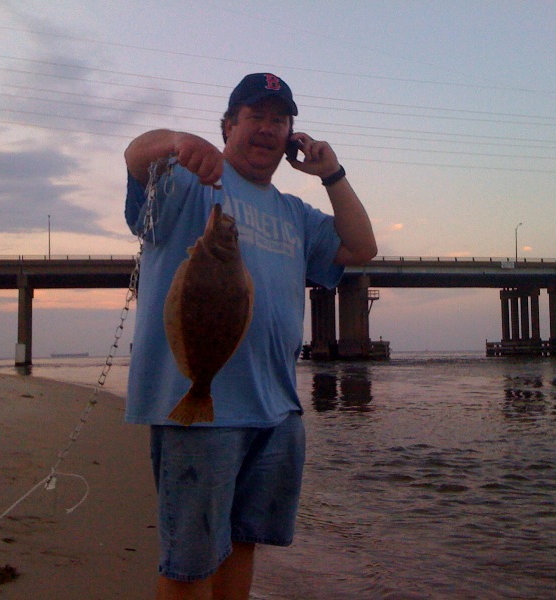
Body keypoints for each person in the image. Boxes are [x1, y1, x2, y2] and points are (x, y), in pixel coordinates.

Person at [123, 72, 377, 600]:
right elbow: (134, 156)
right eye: (255, 116)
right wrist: (176, 142)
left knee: (243, 545)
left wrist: (332, 174)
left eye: (279, 120)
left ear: (291, 137)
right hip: (198, 411)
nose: (267, 128)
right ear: (228, 125)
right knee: (188, 564)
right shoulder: (189, 183)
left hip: (277, 409)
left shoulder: (295, 214)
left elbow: (361, 246)